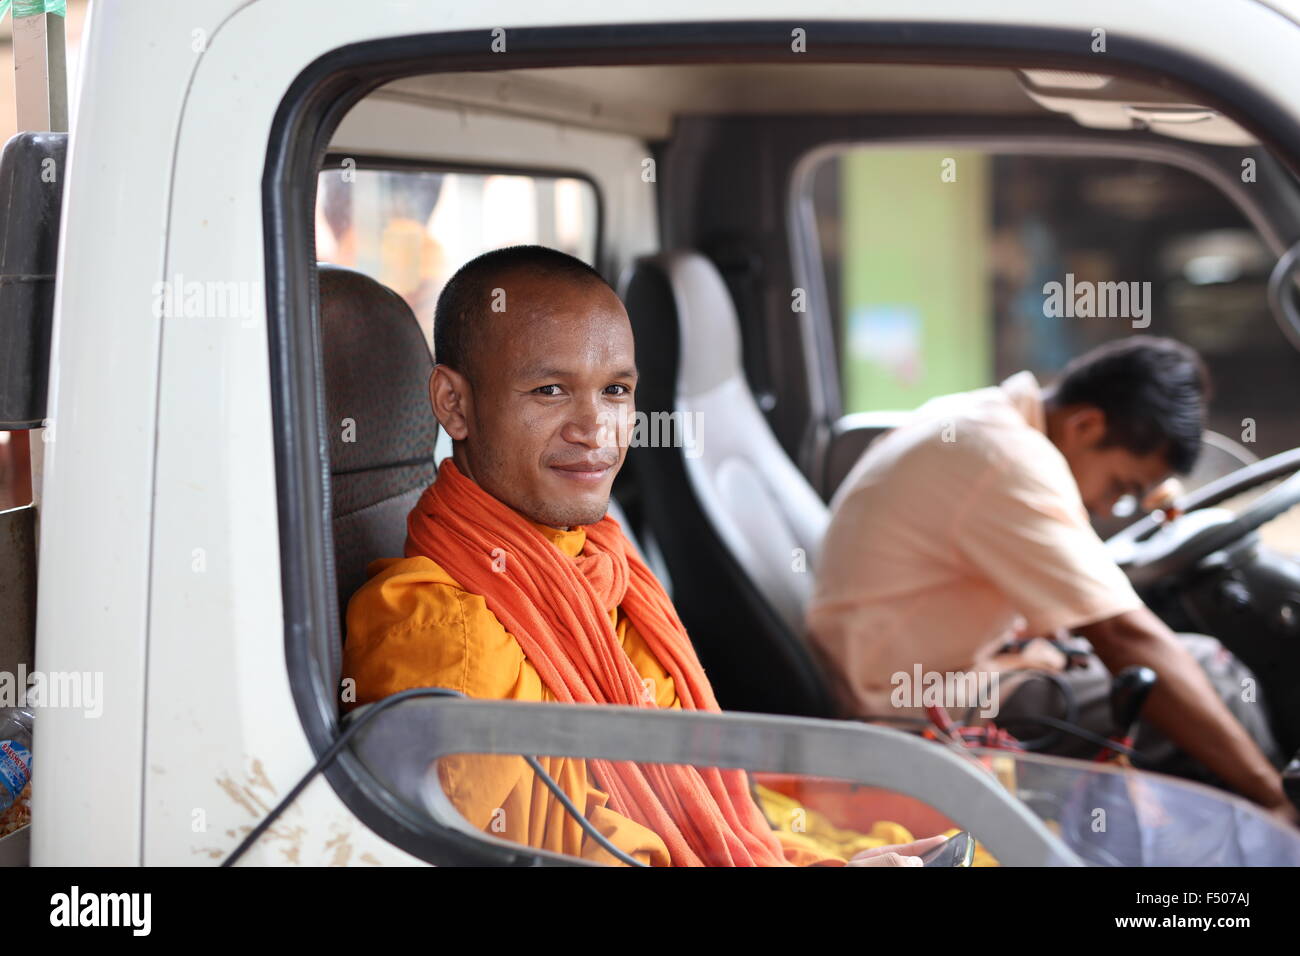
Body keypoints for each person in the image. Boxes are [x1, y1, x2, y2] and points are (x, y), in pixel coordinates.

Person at [340, 245, 949, 866]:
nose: (596, 428)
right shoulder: (444, 635)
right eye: (550, 390)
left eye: (616, 390)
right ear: (454, 404)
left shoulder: (602, 563)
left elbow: (698, 811)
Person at [808, 336, 1296, 822]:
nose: (1106, 508)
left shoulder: (984, 420)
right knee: (1212, 674)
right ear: (1086, 424)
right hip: (912, 709)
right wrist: (1272, 791)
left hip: (922, 673)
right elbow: (1123, 636)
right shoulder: (1004, 460)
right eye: (1119, 487)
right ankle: (1277, 826)